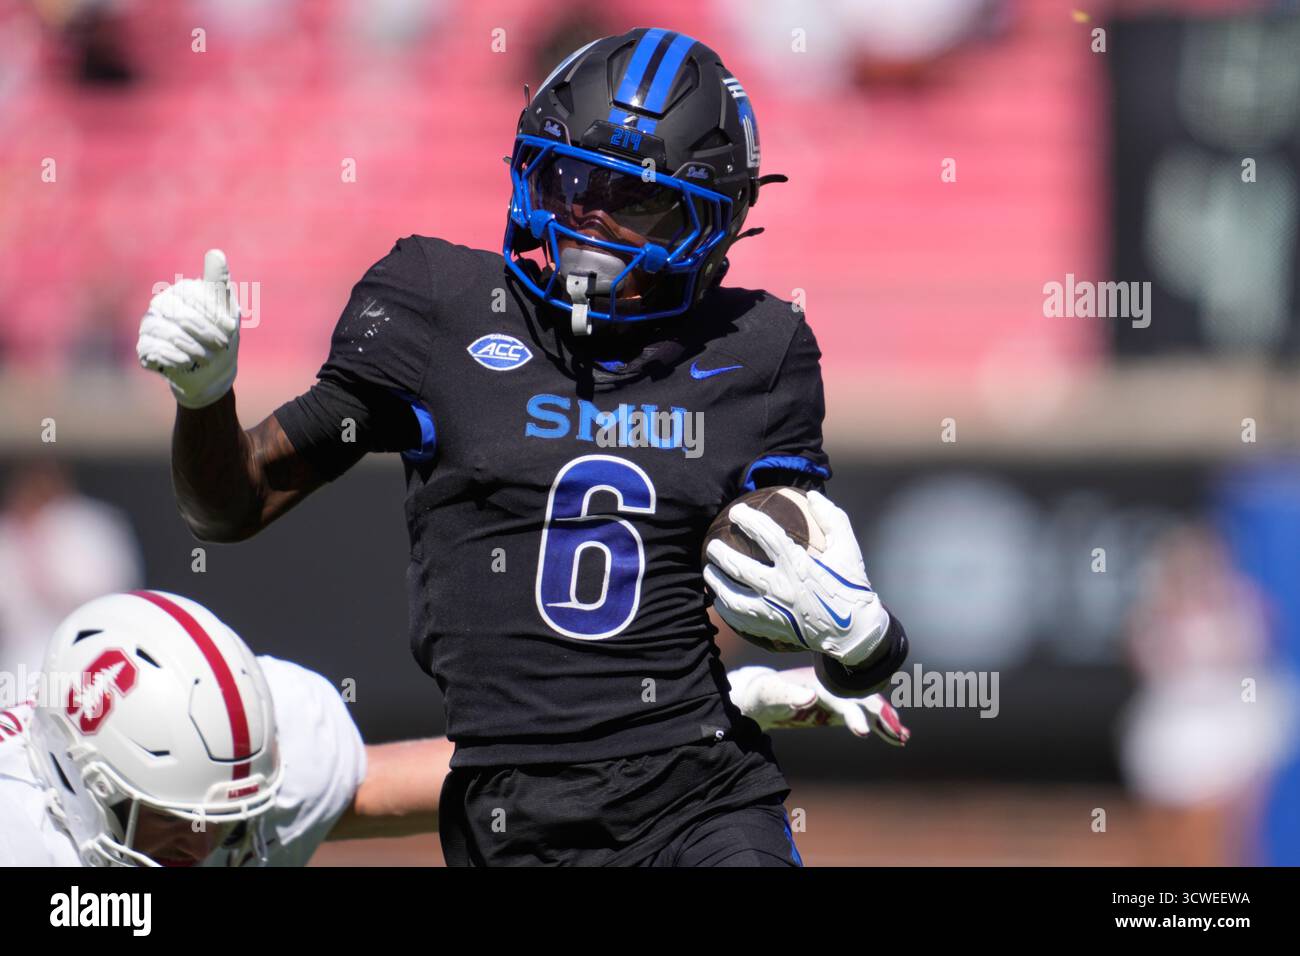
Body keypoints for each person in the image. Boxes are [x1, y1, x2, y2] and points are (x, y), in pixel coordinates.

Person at [135, 28, 909, 866]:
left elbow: (762, 586)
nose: (587, 218)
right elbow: (231, 505)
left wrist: (861, 645)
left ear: (711, 220)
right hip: (508, 820)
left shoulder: (759, 350)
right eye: (571, 181)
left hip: (702, 803)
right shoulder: (437, 307)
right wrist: (204, 399)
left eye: (631, 199)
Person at [0, 591, 906, 867]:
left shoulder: (250, 758)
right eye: (183, 826)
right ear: (83, 789)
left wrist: (685, 718)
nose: (221, 848)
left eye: (233, 819)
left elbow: (379, 786)